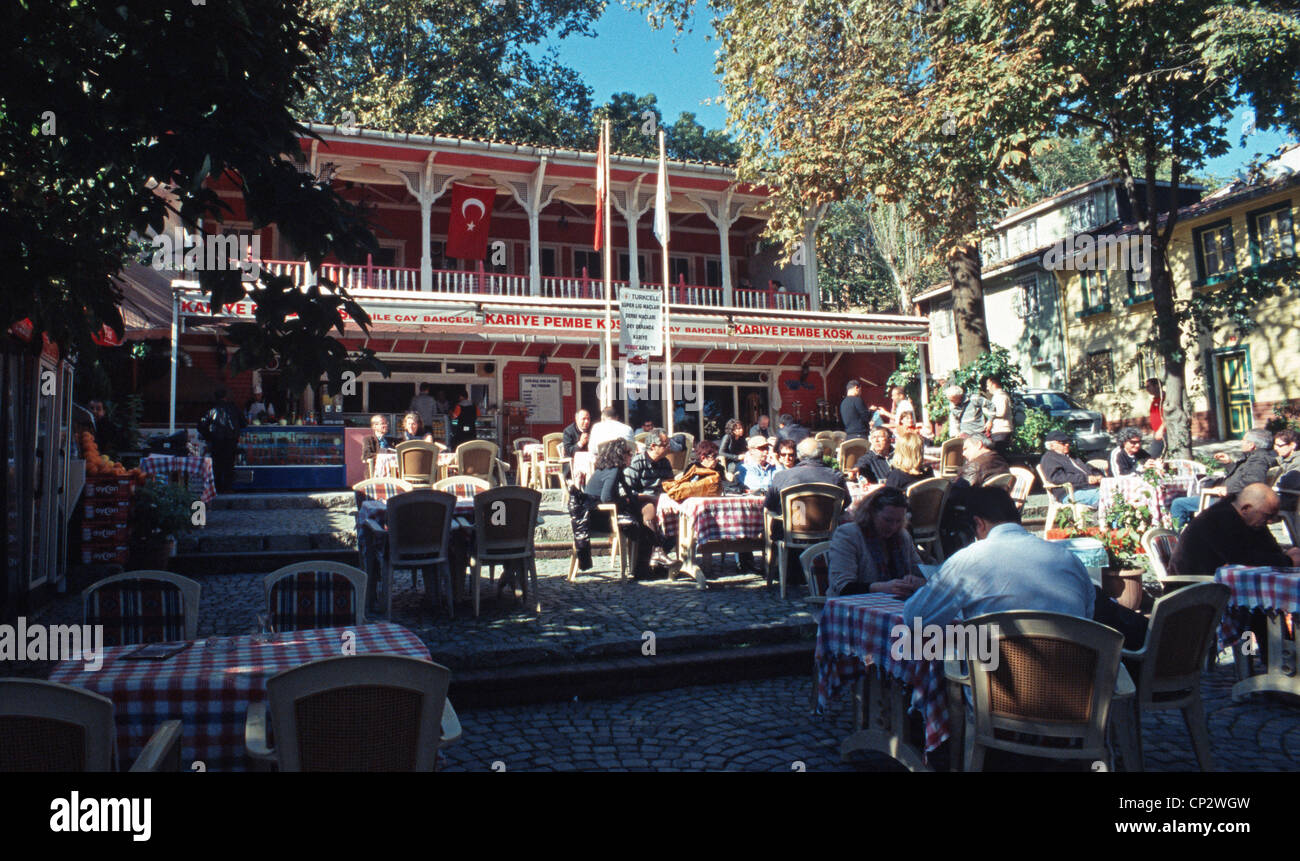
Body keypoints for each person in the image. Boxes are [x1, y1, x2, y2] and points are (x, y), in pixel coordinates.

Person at [901, 487, 1095, 628]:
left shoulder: (970, 558)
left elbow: (915, 618)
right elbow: (1088, 617)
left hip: (998, 680)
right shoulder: (1068, 558)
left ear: (979, 524)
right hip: (1071, 678)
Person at [1169, 483, 1300, 576]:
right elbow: (1242, 560)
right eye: (1267, 516)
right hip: (1194, 586)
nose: (1270, 521)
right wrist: (1287, 561)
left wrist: (1287, 555)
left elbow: (1270, 548)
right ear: (1246, 509)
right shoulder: (1220, 519)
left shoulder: (1250, 519)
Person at [827, 487, 927, 598]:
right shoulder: (848, 535)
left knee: (921, 616)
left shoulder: (902, 536)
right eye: (887, 520)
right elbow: (843, 587)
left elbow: (921, 572)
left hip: (895, 608)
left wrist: (918, 581)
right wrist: (881, 588)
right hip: (853, 609)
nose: (893, 527)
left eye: (898, 521)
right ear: (871, 514)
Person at [1170, 428, 1275, 528]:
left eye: (1243, 440)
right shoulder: (1256, 458)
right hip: (1229, 498)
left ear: (1251, 445)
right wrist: (1230, 463)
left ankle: (1181, 540)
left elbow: (1254, 481)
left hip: (1229, 501)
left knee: (1178, 504)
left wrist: (1227, 489)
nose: (1241, 443)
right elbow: (1243, 475)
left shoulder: (1258, 460)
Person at [623, 429, 677, 570]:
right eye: (665, 444)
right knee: (650, 508)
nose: (669, 447)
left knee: (679, 514)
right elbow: (626, 490)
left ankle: (660, 556)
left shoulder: (665, 462)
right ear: (653, 446)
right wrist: (648, 497)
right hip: (640, 502)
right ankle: (657, 552)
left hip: (662, 501)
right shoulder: (638, 461)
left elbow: (671, 485)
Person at [765, 437, 850, 514]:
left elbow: (770, 505)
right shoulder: (835, 477)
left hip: (788, 529)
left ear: (798, 455)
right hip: (827, 529)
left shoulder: (781, 476)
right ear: (821, 454)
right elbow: (846, 502)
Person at [197, 388, 245, 494]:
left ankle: (217, 487)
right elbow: (243, 423)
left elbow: (201, 425)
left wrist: (209, 436)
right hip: (231, 440)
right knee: (229, 464)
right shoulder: (233, 408)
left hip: (216, 440)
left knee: (217, 464)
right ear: (225, 397)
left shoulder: (212, 409)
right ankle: (228, 488)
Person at [1039, 430, 1104, 506]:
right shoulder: (1049, 458)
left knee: (1114, 493)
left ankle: (1101, 515)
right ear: (1052, 445)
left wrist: (1097, 476)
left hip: (1087, 489)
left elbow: (1087, 468)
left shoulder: (1071, 456)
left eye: (1068, 442)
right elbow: (1057, 478)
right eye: (1063, 443)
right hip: (1070, 493)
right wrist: (1085, 479)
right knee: (1104, 496)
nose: (1067, 444)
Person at [981, 376, 1013, 456]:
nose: (987, 388)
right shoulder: (997, 396)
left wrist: (985, 411)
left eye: (988, 385)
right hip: (999, 431)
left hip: (1001, 431)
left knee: (999, 456)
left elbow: (1001, 412)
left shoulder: (1000, 396)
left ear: (993, 384)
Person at [1145, 379, 1166, 459]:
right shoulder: (1155, 399)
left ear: (1157, 386)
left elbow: (1168, 417)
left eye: (1148, 386)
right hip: (1157, 432)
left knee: (1151, 457)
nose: (1146, 389)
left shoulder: (1164, 399)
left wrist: (1161, 430)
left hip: (1164, 433)